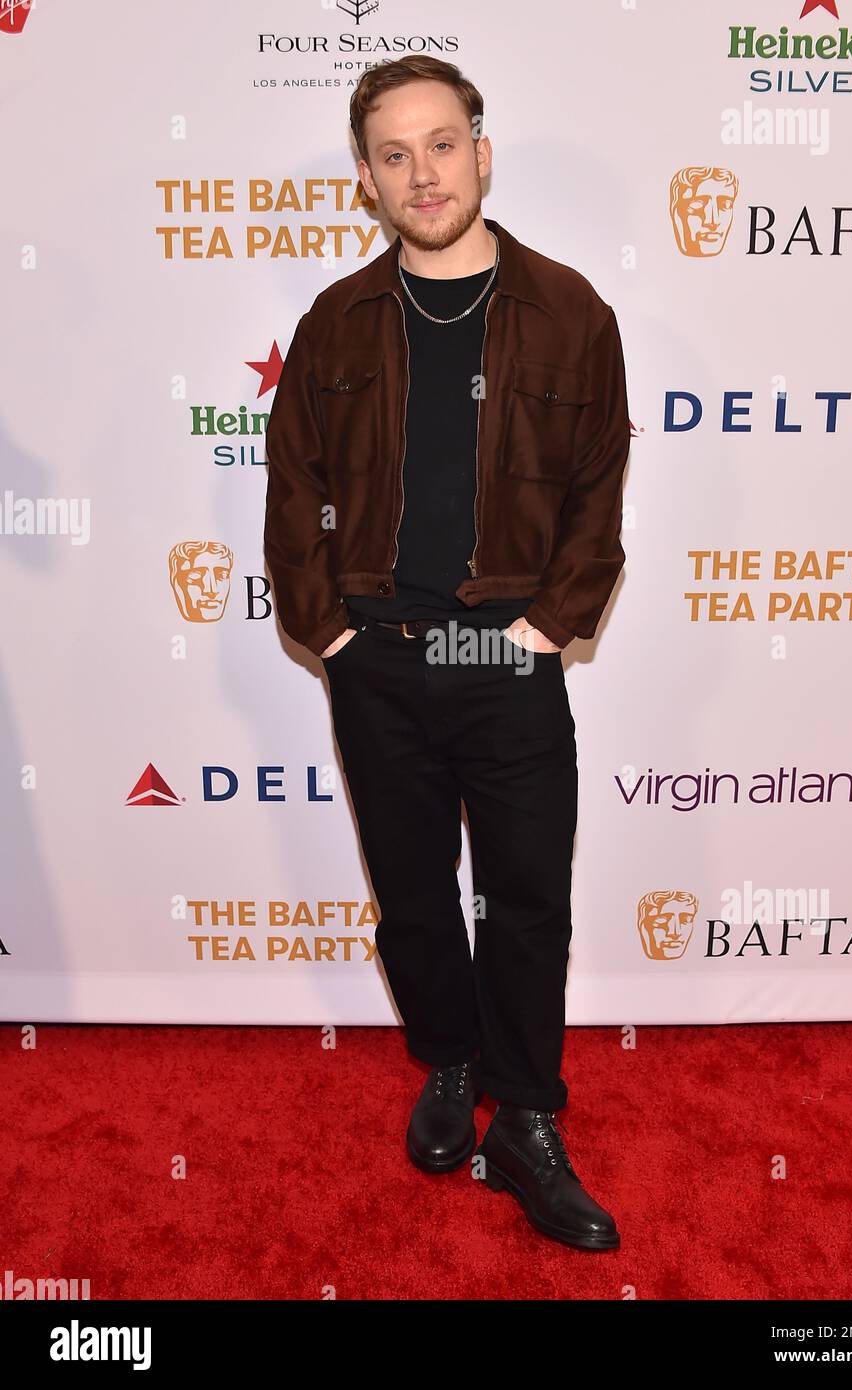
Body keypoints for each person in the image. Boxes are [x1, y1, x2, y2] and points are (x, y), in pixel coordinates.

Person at [264, 54, 630, 1251]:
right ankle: (446, 1061)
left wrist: (540, 628)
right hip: (380, 659)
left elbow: (596, 495)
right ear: (366, 178)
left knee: (526, 902)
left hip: (510, 657)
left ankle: (524, 1120)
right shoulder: (334, 322)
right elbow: (294, 483)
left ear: (481, 148)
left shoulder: (570, 312)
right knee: (415, 899)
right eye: (392, 152)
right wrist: (326, 630)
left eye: (439, 142)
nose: (421, 173)